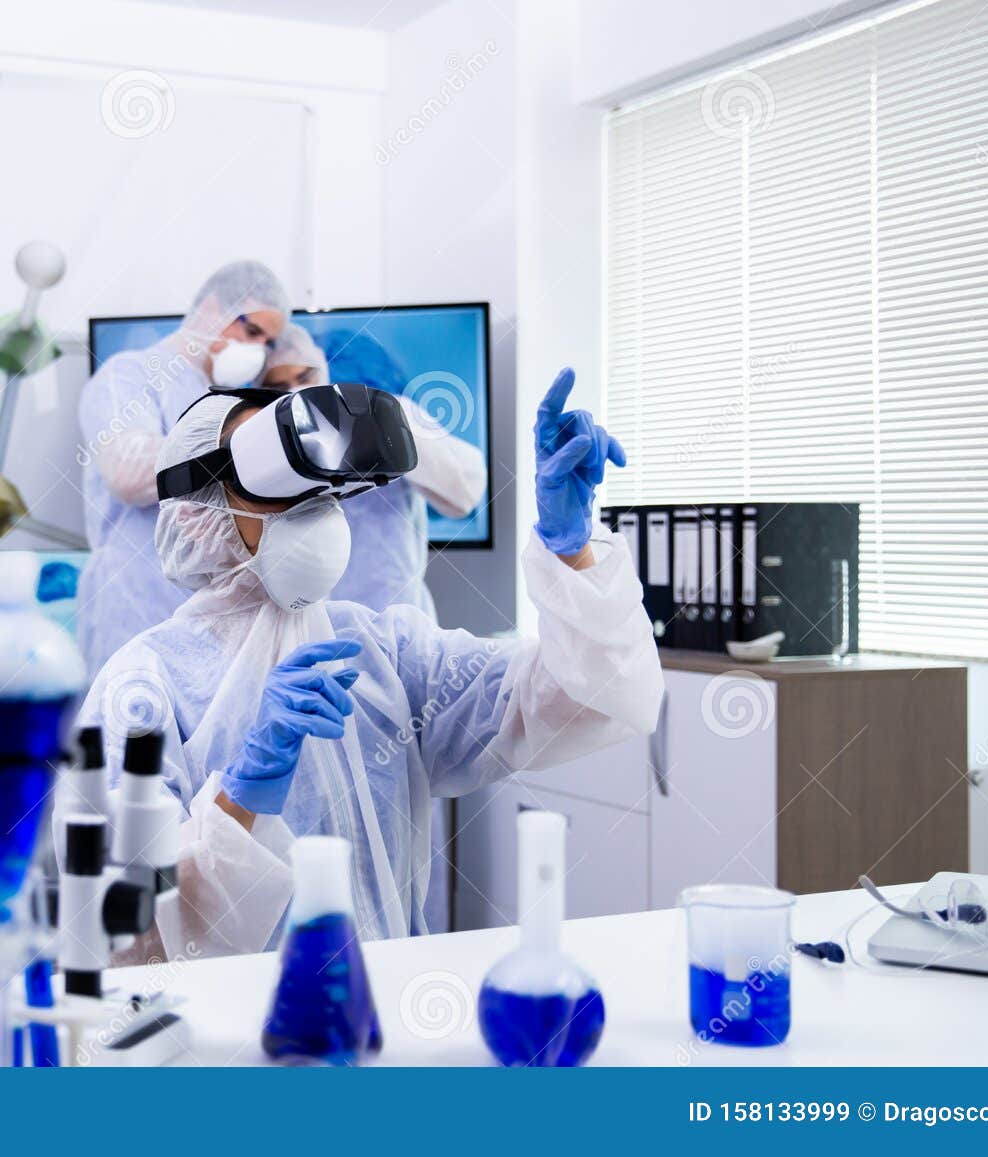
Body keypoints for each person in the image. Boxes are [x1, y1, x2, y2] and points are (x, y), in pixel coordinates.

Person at [79, 368, 662, 960]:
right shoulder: (140, 687)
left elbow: (587, 699)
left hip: (385, 1015)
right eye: (278, 490)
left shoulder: (382, 650)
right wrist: (243, 796)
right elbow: (124, 940)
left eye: (321, 492)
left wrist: (572, 549)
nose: (313, 512)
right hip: (227, 1038)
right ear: (195, 515)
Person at [76, 261, 289, 676]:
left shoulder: (226, 399)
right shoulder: (127, 375)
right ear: (212, 309)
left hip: (214, 626)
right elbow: (128, 472)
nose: (259, 350)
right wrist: (243, 444)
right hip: (135, 611)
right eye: (251, 331)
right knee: (136, 732)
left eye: (269, 342)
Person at [263, 325, 486, 617]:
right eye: (280, 387)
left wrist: (385, 425)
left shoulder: (390, 414)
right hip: (310, 627)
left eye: (305, 377)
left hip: (397, 620)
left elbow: (463, 494)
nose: (297, 391)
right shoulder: (266, 445)